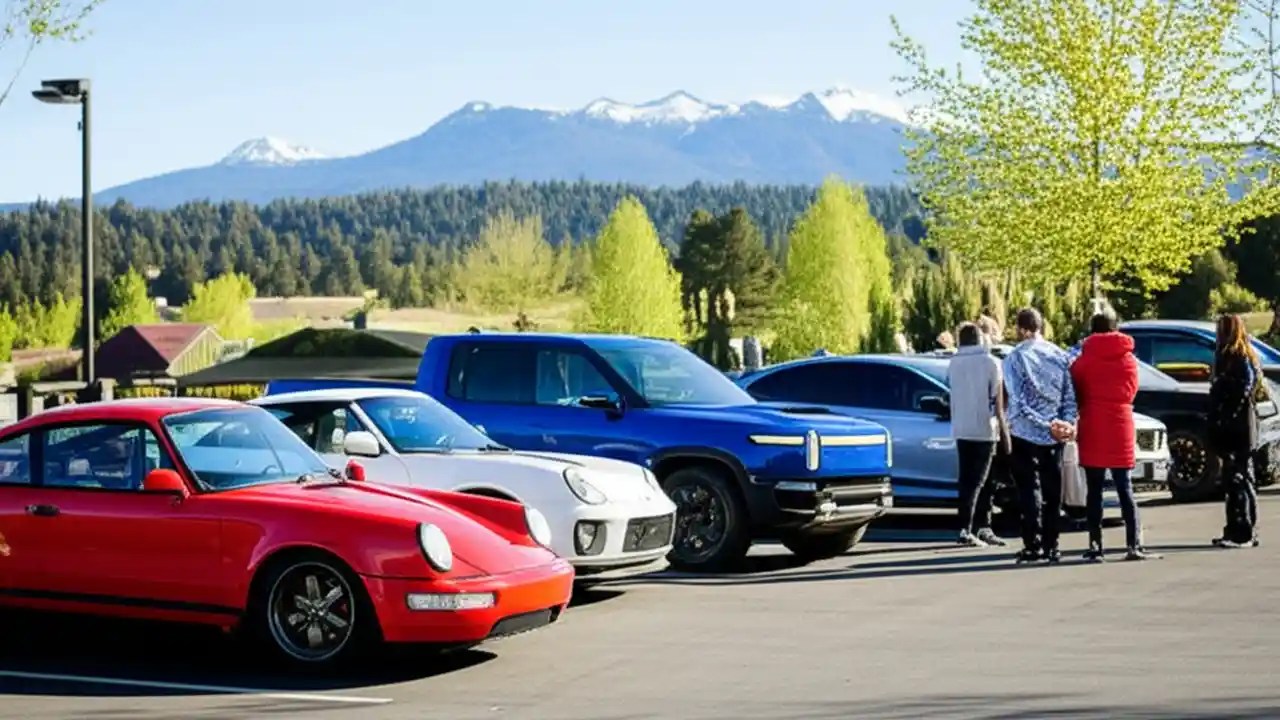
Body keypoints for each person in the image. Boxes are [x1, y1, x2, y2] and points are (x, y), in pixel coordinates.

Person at [1068, 310, 1158, 562]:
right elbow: (1132, 390)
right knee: (1125, 488)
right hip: (1121, 424)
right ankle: (1134, 544)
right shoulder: (1128, 359)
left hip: (1093, 423)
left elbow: (1076, 386)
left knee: (1094, 490)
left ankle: (1096, 546)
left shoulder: (1084, 360)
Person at [1003, 308, 1078, 564]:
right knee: (1053, 490)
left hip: (1026, 433)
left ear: (1022, 329)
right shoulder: (1060, 355)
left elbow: (1018, 401)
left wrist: (1044, 423)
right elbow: (1070, 396)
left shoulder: (1015, 358)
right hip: (1055, 436)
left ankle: (1032, 544)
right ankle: (1052, 544)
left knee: (1028, 490)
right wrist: (1064, 423)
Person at [947, 322, 1011, 548]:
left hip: (961, 428)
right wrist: (1004, 431)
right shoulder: (991, 363)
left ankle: (979, 526)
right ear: (980, 339)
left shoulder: (954, 363)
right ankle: (969, 528)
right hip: (985, 429)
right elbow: (998, 400)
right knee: (982, 481)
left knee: (968, 479)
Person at [1209, 313, 1263, 548]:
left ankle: (1242, 531)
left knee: (1237, 478)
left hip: (1236, 428)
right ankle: (1237, 528)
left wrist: (1224, 416)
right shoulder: (1240, 357)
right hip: (1240, 426)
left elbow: (1240, 391)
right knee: (1239, 479)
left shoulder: (1236, 358)